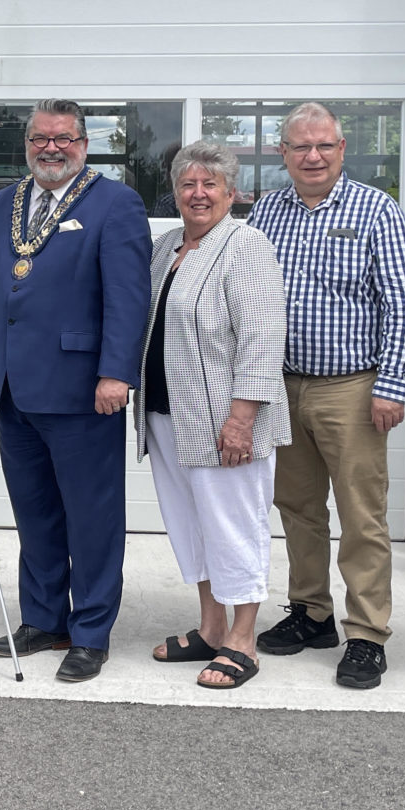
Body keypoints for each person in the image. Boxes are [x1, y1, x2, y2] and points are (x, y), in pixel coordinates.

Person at [0, 99, 151, 684]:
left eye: (64, 138)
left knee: (91, 516)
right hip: (15, 387)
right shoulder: (5, 201)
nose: (51, 148)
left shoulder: (115, 204)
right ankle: (44, 618)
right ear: (27, 144)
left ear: (84, 143)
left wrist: (117, 373)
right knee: (36, 513)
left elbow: (128, 297)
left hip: (82, 390)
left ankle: (91, 631)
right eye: (41, 138)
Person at [247, 102, 405, 690]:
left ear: (342, 149)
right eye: (301, 147)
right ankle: (311, 613)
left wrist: (392, 385)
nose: (313, 156)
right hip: (281, 386)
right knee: (296, 509)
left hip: (353, 387)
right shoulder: (267, 212)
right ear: (284, 153)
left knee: (360, 515)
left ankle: (367, 635)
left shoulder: (377, 211)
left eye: (324, 146)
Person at [137, 141, 291, 691]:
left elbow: (262, 338)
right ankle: (210, 627)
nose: (198, 194)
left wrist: (242, 417)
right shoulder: (167, 246)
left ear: (231, 192)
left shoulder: (246, 246)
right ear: (176, 192)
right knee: (192, 526)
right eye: (188, 184)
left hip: (226, 421)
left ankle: (243, 639)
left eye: (210, 185)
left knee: (234, 526)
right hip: (165, 413)